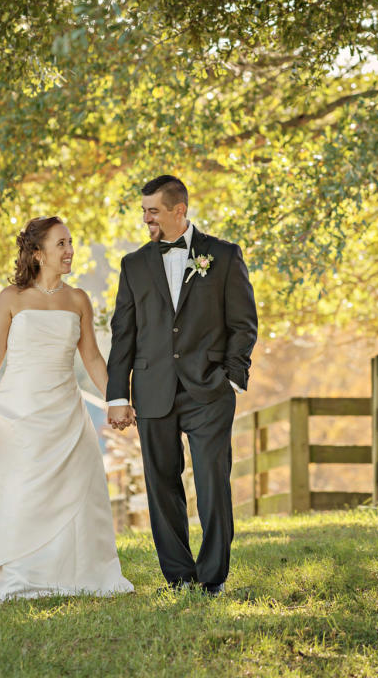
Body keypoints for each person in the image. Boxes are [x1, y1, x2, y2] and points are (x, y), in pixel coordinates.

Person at [0, 216, 134, 603]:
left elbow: (93, 357)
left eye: (71, 242)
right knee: (18, 490)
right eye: (61, 244)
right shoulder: (11, 297)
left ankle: (74, 571)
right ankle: (16, 572)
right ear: (38, 253)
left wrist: (117, 399)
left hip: (66, 411)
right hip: (17, 411)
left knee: (72, 487)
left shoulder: (78, 299)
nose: (70, 251)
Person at [106, 175, 259, 596]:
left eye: (153, 212)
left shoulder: (223, 256)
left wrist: (232, 377)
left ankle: (213, 577)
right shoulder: (133, 265)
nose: (146, 220)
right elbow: (123, 334)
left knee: (212, 481)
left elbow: (244, 324)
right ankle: (178, 577)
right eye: (144, 212)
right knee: (161, 485)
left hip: (209, 390)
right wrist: (118, 395)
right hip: (153, 389)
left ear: (179, 211)